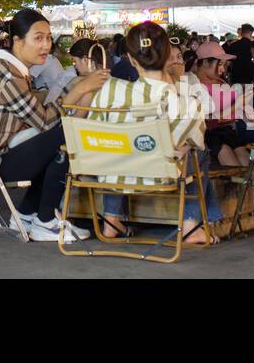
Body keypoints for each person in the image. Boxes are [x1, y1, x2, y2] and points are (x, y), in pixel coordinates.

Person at [0, 9, 109, 243]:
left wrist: (81, 88)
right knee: (65, 135)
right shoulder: (7, 77)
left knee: (55, 138)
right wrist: (80, 89)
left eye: (48, 37)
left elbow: (43, 118)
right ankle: (45, 220)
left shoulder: (11, 72)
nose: (46, 45)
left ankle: (26, 214)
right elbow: (44, 120)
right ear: (17, 42)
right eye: (38, 38)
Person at [94, 23, 222, 244]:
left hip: (113, 173)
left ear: (131, 60)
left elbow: (95, 132)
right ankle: (191, 226)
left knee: (117, 146)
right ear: (166, 57)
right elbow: (190, 146)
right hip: (160, 175)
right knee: (198, 152)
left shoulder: (110, 90)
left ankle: (111, 219)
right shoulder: (187, 103)